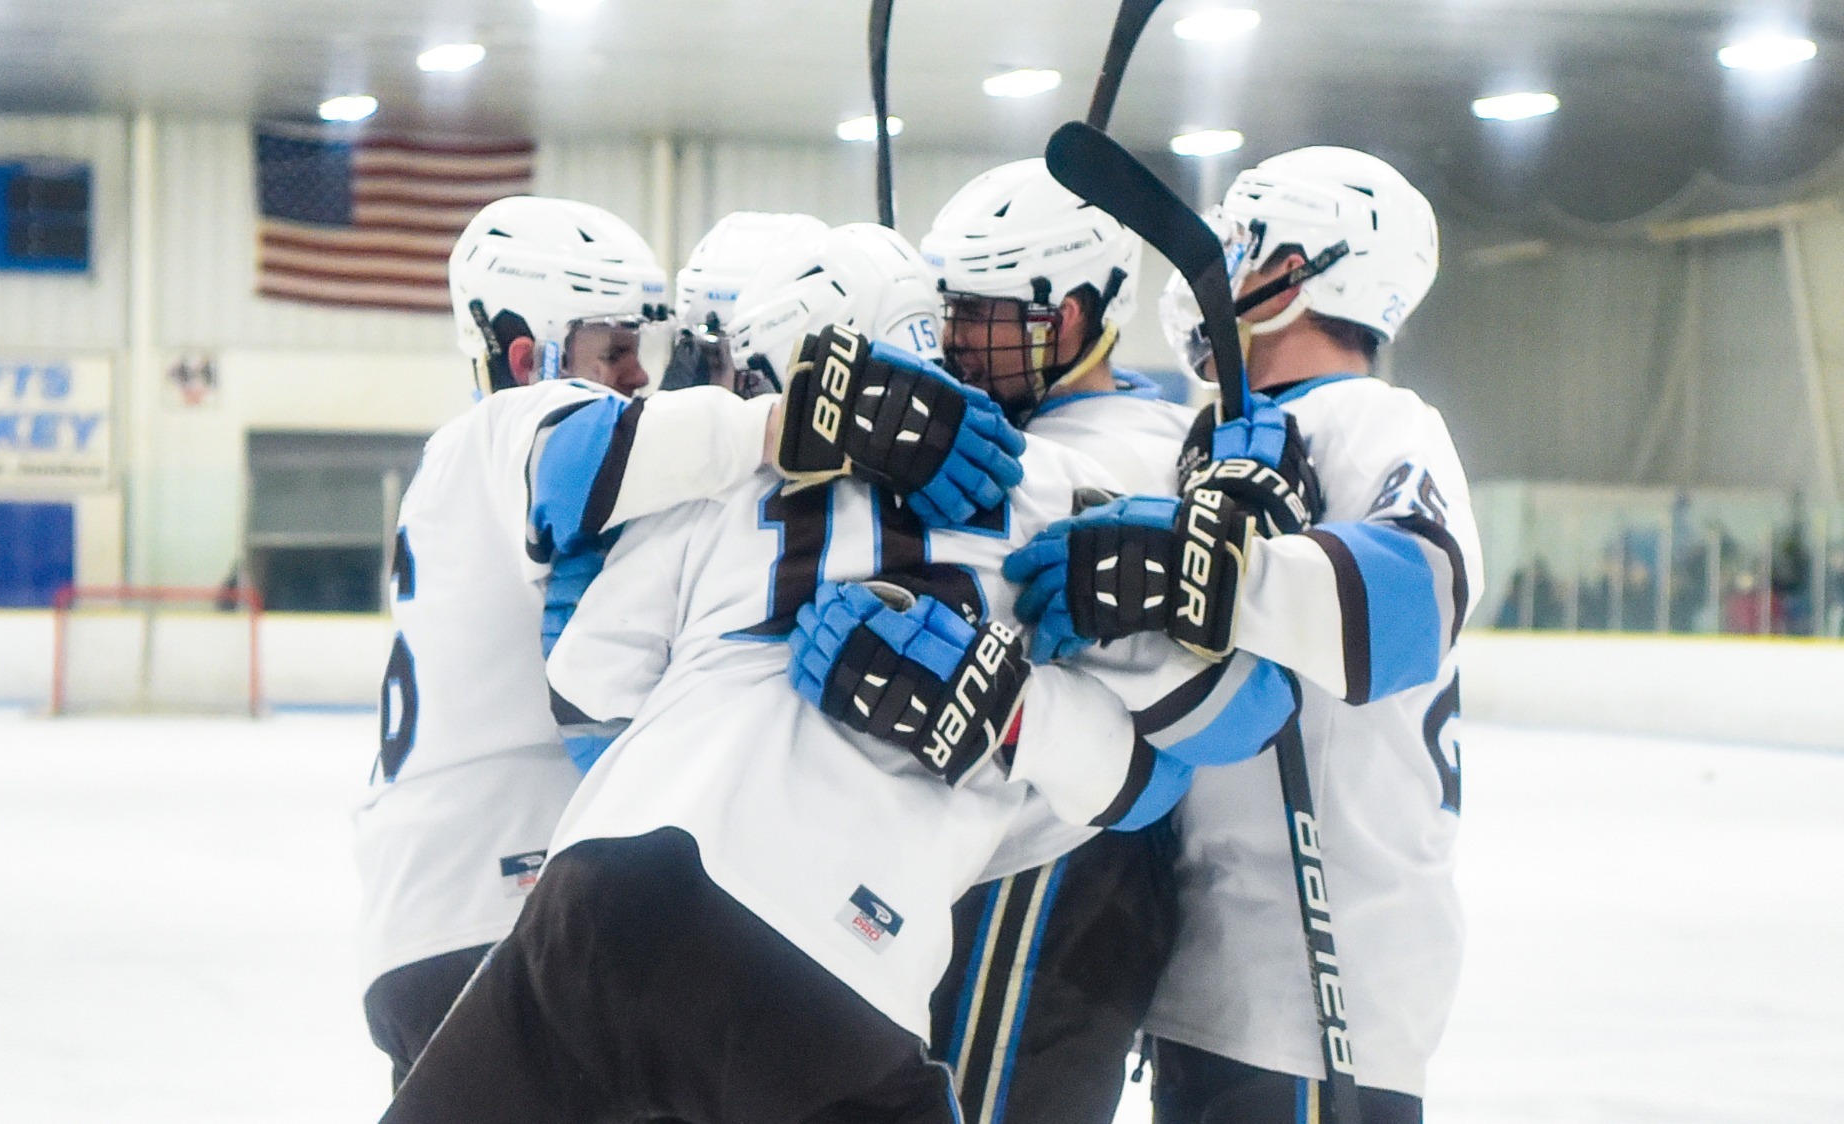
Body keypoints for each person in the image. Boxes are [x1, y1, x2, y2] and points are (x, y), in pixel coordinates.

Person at [379, 221, 1263, 1124]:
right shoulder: (1070, 493)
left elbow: (591, 692)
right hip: (844, 968)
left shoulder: (724, 479)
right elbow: (1182, 753)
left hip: (610, 894)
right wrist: (1013, 712)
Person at [353, 201, 1022, 1089]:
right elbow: (592, 454)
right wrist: (800, 422)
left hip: (438, 911)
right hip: (498, 901)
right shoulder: (503, 430)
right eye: (616, 349)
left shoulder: (471, 480)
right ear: (530, 357)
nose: (642, 377)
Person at [1010, 146, 1479, 1123]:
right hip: (1221, 976)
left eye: (1241, 244)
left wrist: (1209, 571)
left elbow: (1415, 601)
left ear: (1312, 266)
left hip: (1321, 984)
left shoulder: (1371, 418)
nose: (1211, 272)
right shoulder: (1218, 432)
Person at [908, 156, 1201, 1124]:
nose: (952, 343)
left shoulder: (1102, 454)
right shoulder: (1103, 428)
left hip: (1058, 865)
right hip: (1026, 859)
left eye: (978, 317)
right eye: (946, 312)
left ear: (1069, 317)